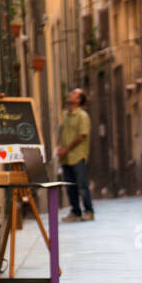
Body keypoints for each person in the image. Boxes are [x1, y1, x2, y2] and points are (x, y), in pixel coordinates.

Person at [57, 88, 94, 221]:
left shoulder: (82, 116)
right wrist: (60, 147)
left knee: (82, 185)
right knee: (70, 186)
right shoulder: (66, 115)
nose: (69, 94)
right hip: (66, 157)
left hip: (78, 156)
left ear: (78, 100)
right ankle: (75, 211)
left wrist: (67, 149)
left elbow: (81, 136)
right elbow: (61, 133)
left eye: (73, 94)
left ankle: (89, 211)